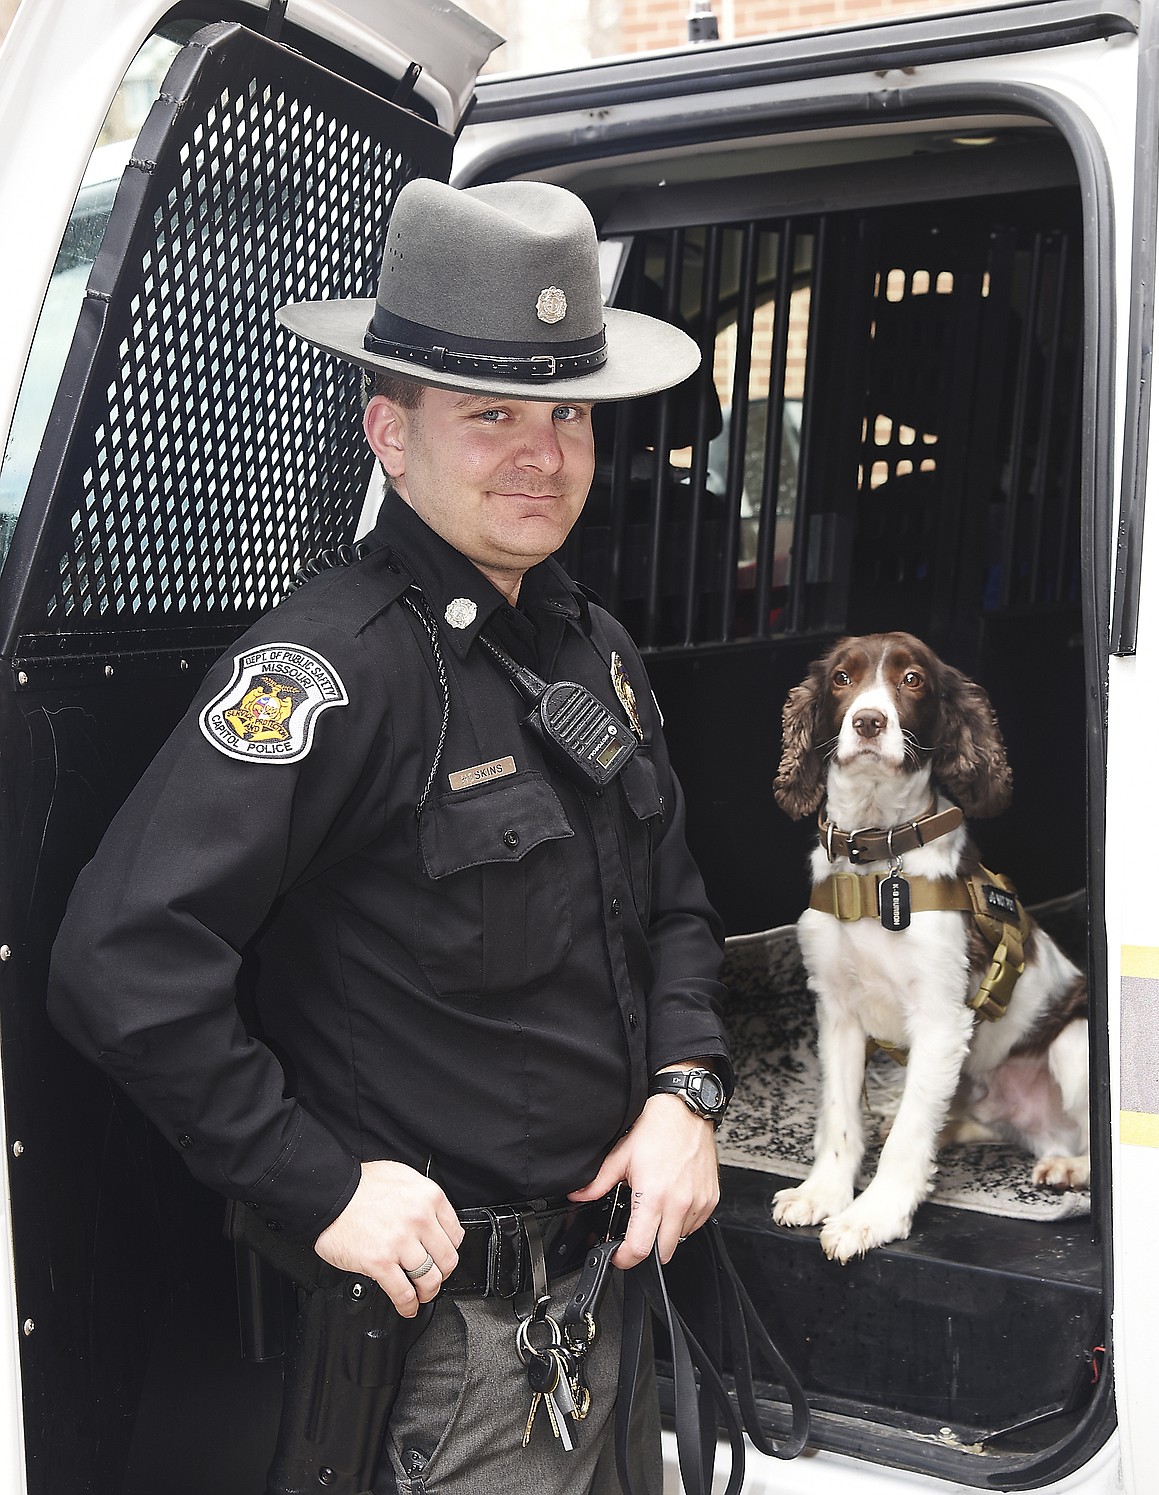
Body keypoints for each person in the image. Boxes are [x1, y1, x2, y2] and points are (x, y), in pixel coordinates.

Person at [47, 177, 732, 1495]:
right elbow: (121, 962)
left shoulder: (593, 650)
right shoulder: (332, 672)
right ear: (390, 431)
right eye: (491, 414)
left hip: (607, 1303)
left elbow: (677, 908)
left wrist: (685, 1091)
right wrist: (320, 1185)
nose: (543, 452)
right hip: (450, 1355)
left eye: (568, 412)